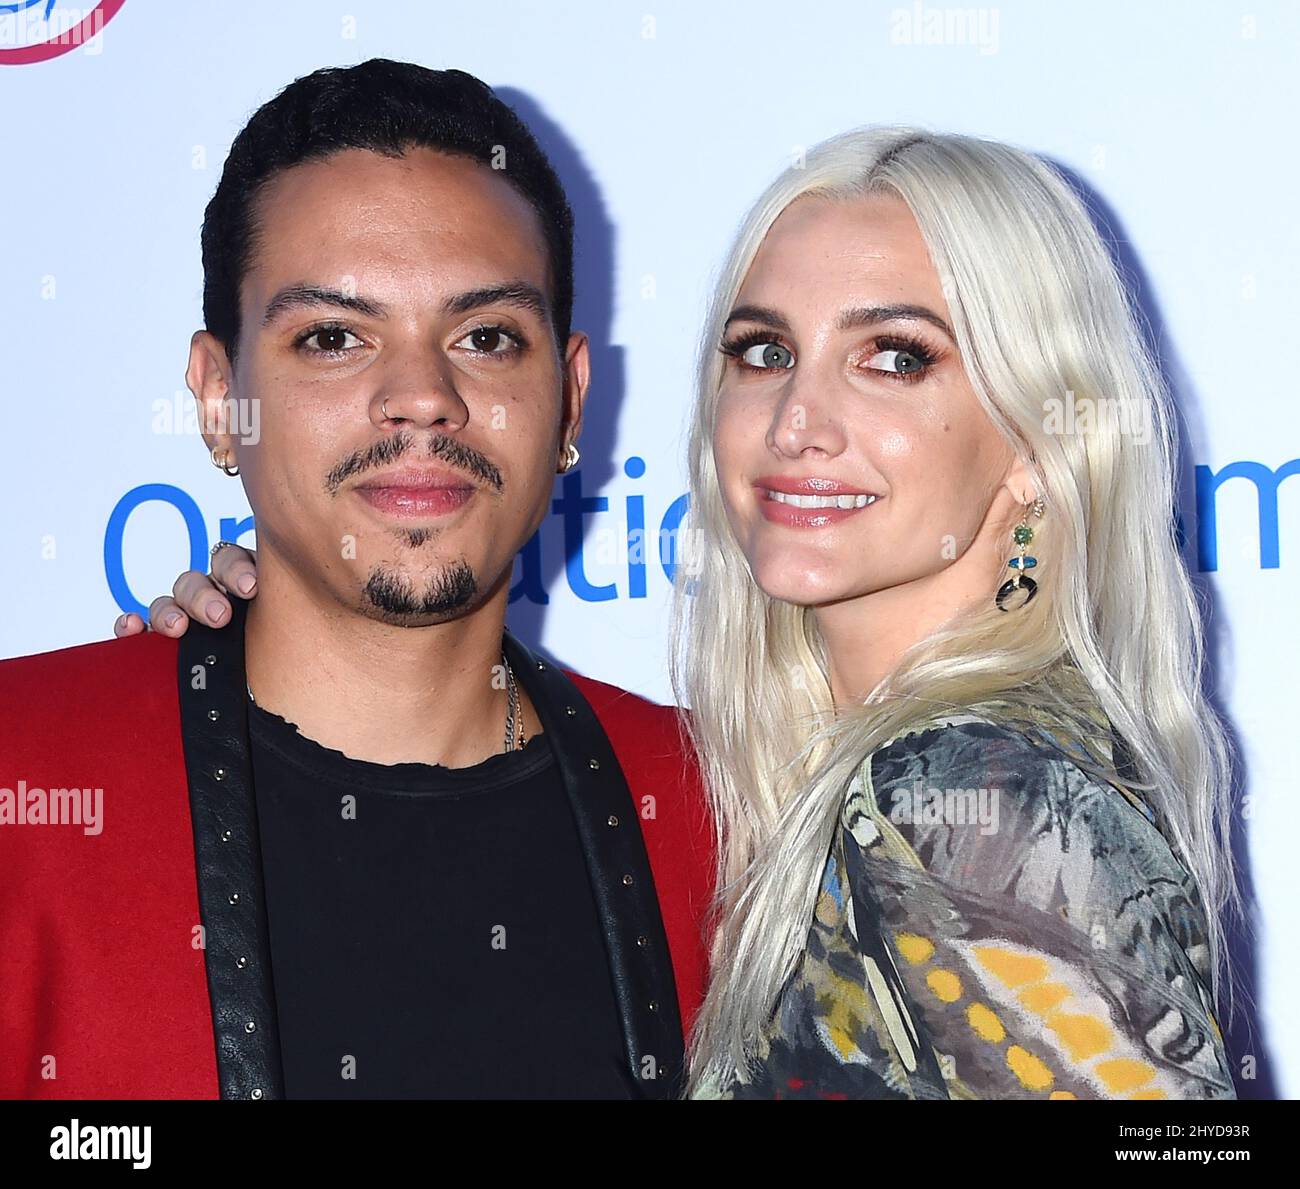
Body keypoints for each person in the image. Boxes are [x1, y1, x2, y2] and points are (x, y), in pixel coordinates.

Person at [143, 126, 1242, 1101]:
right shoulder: (806, 793)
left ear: (1040, 447)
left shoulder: (969, 795)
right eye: (764, 352)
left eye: (895, 357)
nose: (798, 418)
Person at [0, 59, 713, 1101]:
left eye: (485, 337)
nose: (421, 398)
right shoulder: (29, 783)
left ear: (568, 401)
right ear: (215, 398)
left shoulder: (717, 824)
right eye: (333, 338)